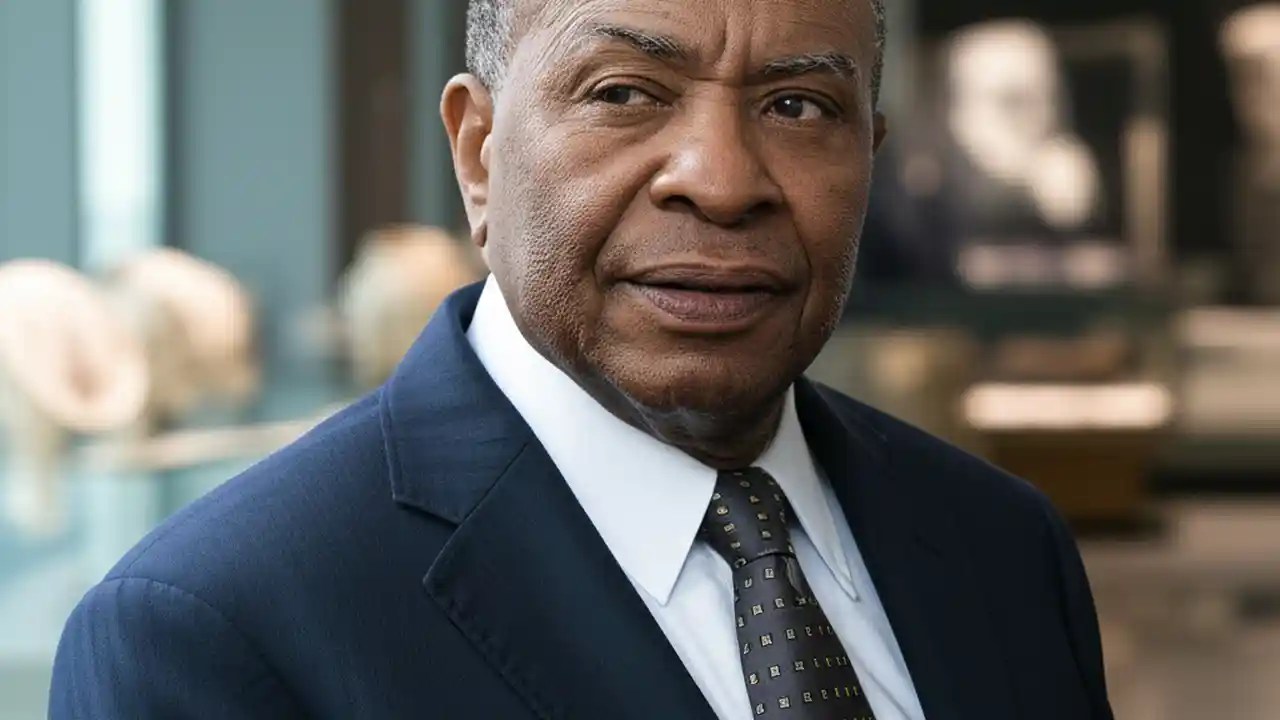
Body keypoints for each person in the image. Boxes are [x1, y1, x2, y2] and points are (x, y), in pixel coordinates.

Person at [50, 1, 1115, 718]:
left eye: (798, 106)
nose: (719, 178)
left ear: (867, 161)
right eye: (624, 94)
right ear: (478, 154)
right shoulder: (217, 632)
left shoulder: (1000, 549)